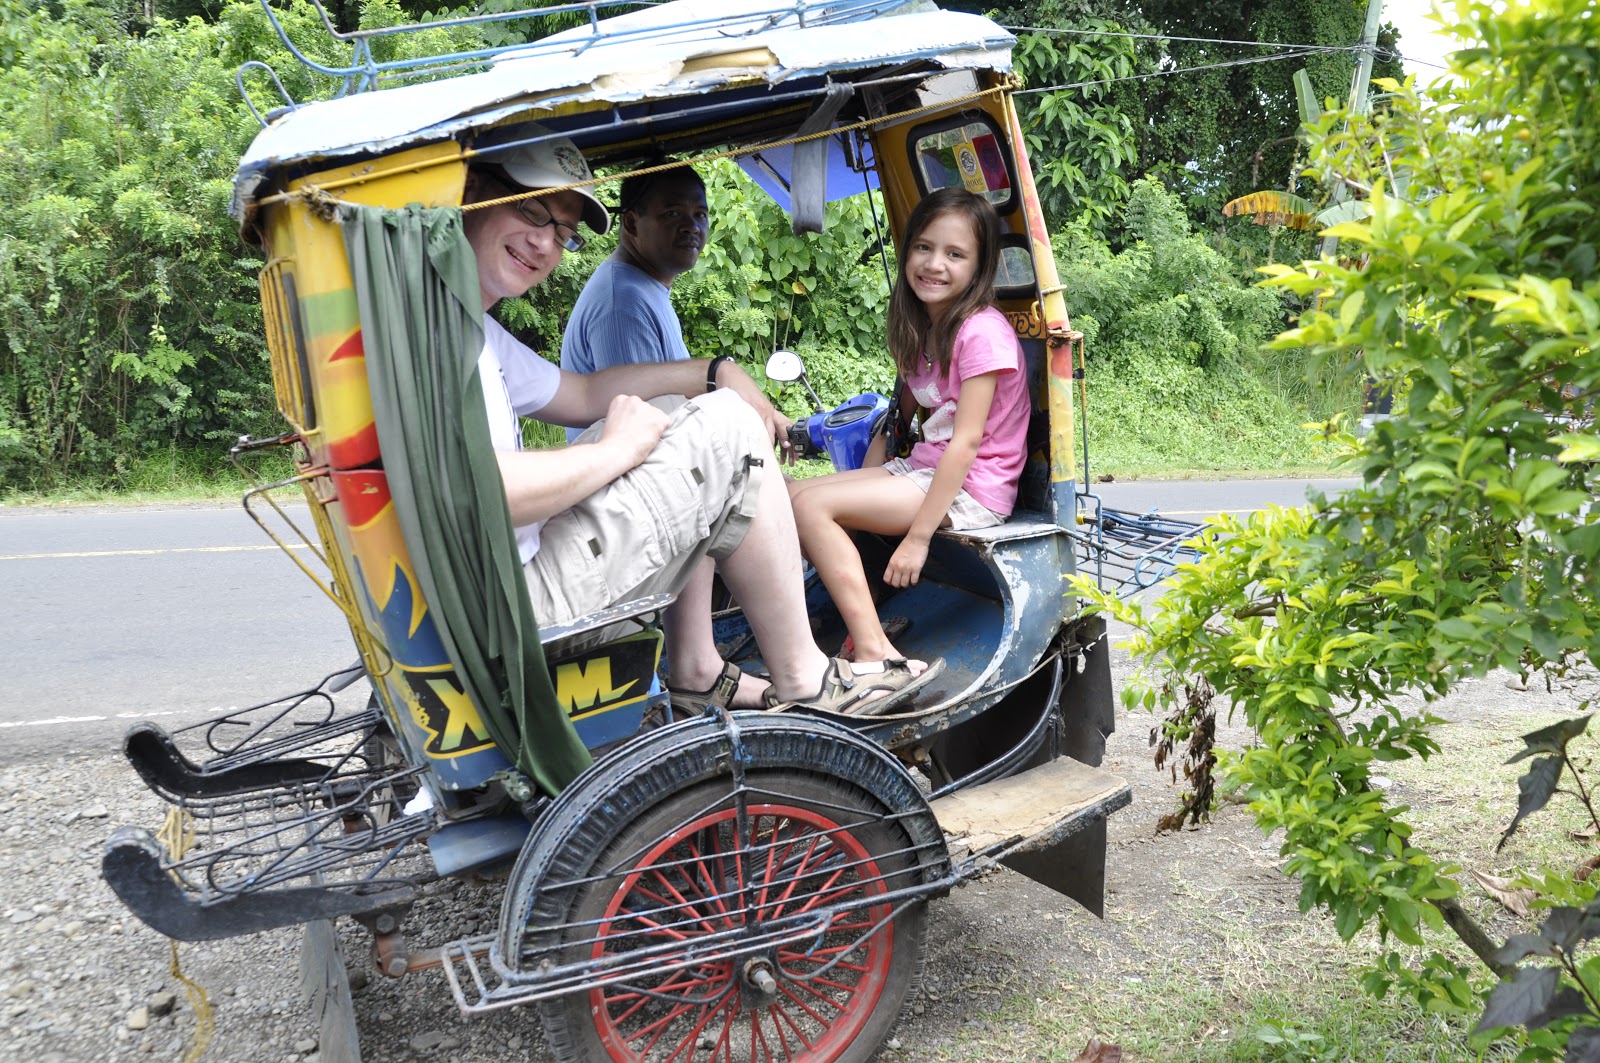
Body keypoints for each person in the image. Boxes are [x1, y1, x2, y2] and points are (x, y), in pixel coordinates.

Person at [461, 129, 943, 716]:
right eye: (531, 212)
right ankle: (806, 678)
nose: (543, 244)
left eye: (559, 233)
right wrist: (621, 447)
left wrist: (715, 370)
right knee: (727, 432)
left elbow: (583, 391)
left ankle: (697, 666)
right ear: (471, 194)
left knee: (682, 416)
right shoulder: (446, 334)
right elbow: (481, 492)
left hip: (502, 578)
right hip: (511, 607)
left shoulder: (470, 327)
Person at [788, 187, 1027, 667]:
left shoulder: (981, 332)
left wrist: (915, 541)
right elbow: (896, 421)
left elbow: (967, 442)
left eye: (955, 254)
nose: (934, 264)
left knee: (813, 507)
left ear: (978, 268)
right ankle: (817, 624)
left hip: (973, 486)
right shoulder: (922, 326)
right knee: (791, 493)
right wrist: (860, 482)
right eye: (924, 247)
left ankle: (876, 651)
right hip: (924, 469)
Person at [556, 163, 756, 707]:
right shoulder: (625, 300)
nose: (691, 225)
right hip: (610, 491)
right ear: (630, 225)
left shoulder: (643, 288)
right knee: (719, 468)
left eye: (698, 213)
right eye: (671, 213)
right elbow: (650, 426)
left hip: (610, 478)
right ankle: (700, 663)